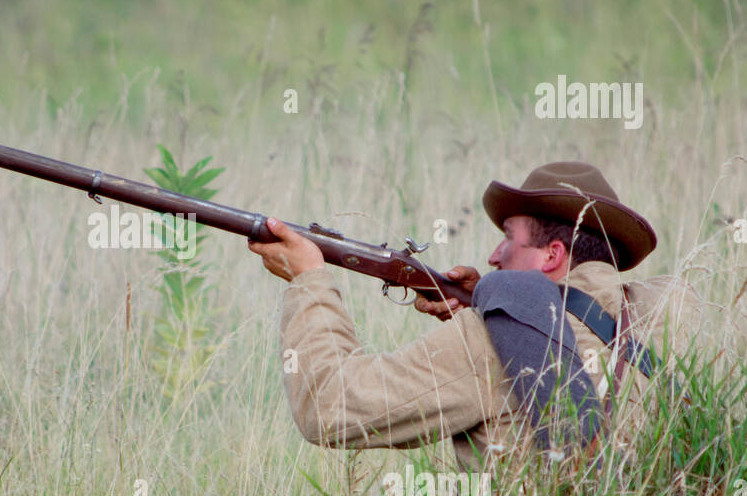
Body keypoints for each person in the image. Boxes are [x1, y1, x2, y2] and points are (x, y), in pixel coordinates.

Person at [247, 162, 701, 470]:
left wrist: (308, 279)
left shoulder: (483, 343)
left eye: (509, 238)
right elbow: (577, 321)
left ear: (552, 254)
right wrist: (497, 302)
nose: (494, 254)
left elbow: (329, 408)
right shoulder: (677, 315)